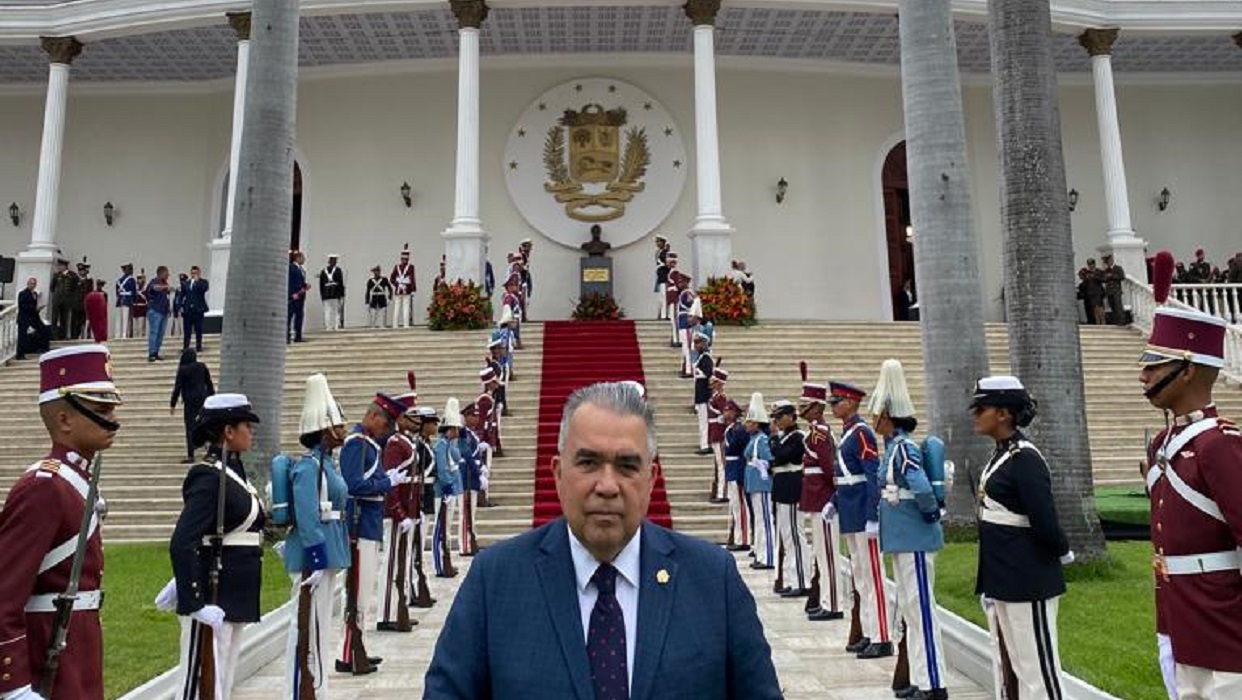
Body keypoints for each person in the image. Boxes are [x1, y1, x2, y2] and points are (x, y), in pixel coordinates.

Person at [423, 382, 783, 699]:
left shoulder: (713, 579)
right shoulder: (495, 580)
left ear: (651, 479)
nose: (607, 486)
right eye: (588, 463)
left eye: (627, 466)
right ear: (558, 474)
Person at [1139, 265, 1242, 700]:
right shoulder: (1163, 443)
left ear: (1185, 370)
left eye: (1153, 365)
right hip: (1180, 617)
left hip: (1226, 625)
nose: (1143, 376)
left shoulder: (1218, 445)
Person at [0, 344, 122, 700]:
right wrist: (14, 686)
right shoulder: (46, 486)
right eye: (101, 410)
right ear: (65, 420)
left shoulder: (78, 481)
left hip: (78, 650)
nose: (114, 420)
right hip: (47, 653)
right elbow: (5, 593)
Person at [971, 375, 1072, 700]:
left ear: (1004, 413)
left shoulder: (1024, 458)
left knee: (1039, 671)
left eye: (982, 408)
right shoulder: (1003, 455)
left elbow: (1044, 520)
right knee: (1018, 667)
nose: (975, 415)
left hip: (1028, 577)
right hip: (1005, 576)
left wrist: (1062, 550)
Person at [167, 393, 266, 700]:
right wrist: (193, 601)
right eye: (246, 425)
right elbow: (183, 540)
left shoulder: (234, 473)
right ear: (228, 431)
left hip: (236, 590)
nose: (251, 432)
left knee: (223, 677)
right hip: (215, 590)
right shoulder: (208, 476)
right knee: (201, 682)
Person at [869, 359, 946, 700]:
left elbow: (922, 488)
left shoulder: (903, 448)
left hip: (914, 535)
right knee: (911, 611)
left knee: (921, 610)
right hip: (902, 536)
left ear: (889, 416)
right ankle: (921, 677)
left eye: (878, 414)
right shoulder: (893, 448)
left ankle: (934, 684)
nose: (874, 420)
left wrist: (930, 514)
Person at [283, 373, 351, 700]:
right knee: (306, 628)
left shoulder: (327, 464)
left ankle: (319, 688)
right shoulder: (309, 466)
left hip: (329, 549)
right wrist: (316, 556)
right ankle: (300, 691)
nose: (343, 430)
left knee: (321, 626)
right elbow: (308, 516)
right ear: (324, 431)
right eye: (338, 425)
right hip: (315, 555)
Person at [336, 393, 409, 674]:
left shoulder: (368, 444)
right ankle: (349, 653)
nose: (387, 430)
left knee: (364, 591)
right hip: (360, 524)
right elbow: (353, 485)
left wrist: (384, 482)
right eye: (386, 423)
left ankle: (357, 647)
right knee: (357, 592)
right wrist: (385, 483)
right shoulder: (357, 444)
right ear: (374, 416)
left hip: (369, 523)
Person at [829, 381, 891, 659]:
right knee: (861, 577)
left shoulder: (862, 432)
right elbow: (845, 475)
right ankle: (869, 630)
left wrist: (872, 515)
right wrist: (833, 502)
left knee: (873, 576)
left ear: (851, 403)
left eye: (837, 402)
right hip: (849, 510)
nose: (833, 407)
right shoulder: (848, 432)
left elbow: (871, 475)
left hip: (862, 511)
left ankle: (882, 636)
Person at [797, 379, 844, 622]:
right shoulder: (815, 432)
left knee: (828, 555)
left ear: (816, 407)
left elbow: (827, 468)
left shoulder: (819, 433)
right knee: (822, 554)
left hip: (824, 498)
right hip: (816, 498)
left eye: (805, 404)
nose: (801, 408)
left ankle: (833, 603)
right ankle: (825, 599)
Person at [377, 400, 420, 633]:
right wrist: (398, 512)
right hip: (397, 512)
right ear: (400, 419)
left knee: (401, 562)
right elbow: (390, 482)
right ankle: (385, 614)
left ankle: (398, 609)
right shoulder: (394, 443)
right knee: (391, 563)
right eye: (412, 415)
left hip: (408, 509)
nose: (417, 420)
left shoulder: (406, 441)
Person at [770, 399, 811, 598]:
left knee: (795, 535)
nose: (776, 421)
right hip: (782, 487)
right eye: (775, 417)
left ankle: (802, 581)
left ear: (790, 416)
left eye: (780, 417)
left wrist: (773, 440)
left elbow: (782, 455)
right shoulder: (784, 437)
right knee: (787, 537)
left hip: (792, 487)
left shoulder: (798, 437)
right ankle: (794, 578)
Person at [743, 392, 777, 571]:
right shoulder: (754, 439)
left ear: (756, 423)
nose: (746, 424)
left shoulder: (762, 440)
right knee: (759, 519)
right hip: (754, 483)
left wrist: (762, 466)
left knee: (765, 520)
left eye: (749, 422)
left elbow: (770, 459)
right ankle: (760, 552)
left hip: (762, 483)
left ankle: (769, 556)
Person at [432, 398, 465, 578]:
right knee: (440, 529)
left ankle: (447, 562)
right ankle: (439, 565)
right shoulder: (441, 446)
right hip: (443, 492)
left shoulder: (447, 445)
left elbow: (456, 457)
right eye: (456, 429)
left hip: (449, 491)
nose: (458, 432)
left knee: (446, 528)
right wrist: (448, 487)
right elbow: (443, 471)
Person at [170, 348, 215, 464]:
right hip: (203, 399)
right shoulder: (202, 366)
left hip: (190, 401)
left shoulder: (183, 369)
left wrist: (172, 404)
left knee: (190, 427)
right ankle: (210, 453)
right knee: (206, 424)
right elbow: (209, 383)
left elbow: (177, 387)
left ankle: (191, 455)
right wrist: (213, 397)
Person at [720, 398, 750, 551]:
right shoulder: (731, 429)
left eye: (728, 410)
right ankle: (738, 537)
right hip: (732, 469)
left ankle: (743, 539)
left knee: (740, 507)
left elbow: (736, 450)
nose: (725, 413)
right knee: (735, 507)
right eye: (725, 410)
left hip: (737, 469)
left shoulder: (738, 429)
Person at [706, 367, 731, 502]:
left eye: (714, 381)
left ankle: (723, 493)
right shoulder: (715, 397)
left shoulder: (720, 398)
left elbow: (725, 415)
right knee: (719, 464)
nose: (711, 383)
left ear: (720, 383)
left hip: (719, 432)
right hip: (714, 431)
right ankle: (719, 491)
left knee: (722, 464)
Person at [16, 277, 50, 360]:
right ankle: (20, 354)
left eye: (34, 284)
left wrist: (38, 309)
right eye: (31, 283)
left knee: (43, 329)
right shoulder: (22, 293)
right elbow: (22, 306)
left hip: (33, 317)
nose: (33, 285)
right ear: (28, 284)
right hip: (24, 318)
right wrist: (34, 309)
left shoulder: (35, 294)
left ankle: (42, 348)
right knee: (22, 336)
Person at [692, 330, 714, 456]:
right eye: (696, 343)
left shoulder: (706, 358)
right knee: (703, 421)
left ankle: (705, 445)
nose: (696, 345)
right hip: (700, 395)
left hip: (704, 395)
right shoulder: (701, 358)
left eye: (699, 343)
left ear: (705, 343)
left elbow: (708, 375)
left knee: (704, 422)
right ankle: (705, 443)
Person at [145, 266, 173, 362]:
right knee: (154, 332)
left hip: (163, 311)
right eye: (167, 273)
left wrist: (168, 309)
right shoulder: (154, 281)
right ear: (161, 273)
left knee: (161, 333)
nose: (168, 275)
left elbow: (166, 298)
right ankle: (152, 353)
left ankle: (156, 352)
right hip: (155, 310)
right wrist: (165, 287)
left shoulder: (165, 283)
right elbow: (155, 288)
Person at [180, 266, 209, 352]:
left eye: (196, 273)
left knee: (198, 329)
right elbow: (182, 295)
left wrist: (197, 282)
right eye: (192, 273)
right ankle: (186, 346)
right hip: (188, 310)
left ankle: (198, 346)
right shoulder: (186, 283)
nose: (194, 275)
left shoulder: (203, 282)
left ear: (199, 273)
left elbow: (204, 289)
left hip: (198, 309)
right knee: (187, 330)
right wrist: (180, 306)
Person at [48, 258, 76, 341]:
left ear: (65, 266)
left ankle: (63, 335)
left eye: (61, 266)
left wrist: (70, 297)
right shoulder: (56, 275)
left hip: (67, 300)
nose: (59, 267)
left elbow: (75, 288)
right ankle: (54, 335)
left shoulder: (72, 275)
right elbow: (52, 287)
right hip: (57, 299)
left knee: (64, 318)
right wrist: (57, 295)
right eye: (59, 266)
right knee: (54, 318)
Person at [390, 244, 416, 329]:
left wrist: (397, 284)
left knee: (397, 307)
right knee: (405, 307)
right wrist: (413, 289)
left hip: (398, 289)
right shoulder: (411, 267)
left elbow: (392, 279)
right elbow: (412, 278)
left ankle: (395, 324)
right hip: (406, 289)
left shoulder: (396, 267)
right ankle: (405, 324)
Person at [318, 254, 346, 331]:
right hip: (336, 294)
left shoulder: (323, 271)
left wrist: (322, 296)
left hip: (326, 294)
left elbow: (321, 285)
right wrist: (342, 294)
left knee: (327, 311)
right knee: (336, 311)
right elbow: (340, 283)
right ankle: (336, 326)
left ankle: (328, 327)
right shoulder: (338, 270)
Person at [288, 250, 310, 344]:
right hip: (293, 297)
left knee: (299, 317)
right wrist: (291, 294)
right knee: (289, 316)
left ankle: (298, 336)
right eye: (303, 258)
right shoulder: (291, 268)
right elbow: (289, 282)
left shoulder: (301, 269)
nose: (304, 259)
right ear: (298, 258)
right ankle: (287, 336)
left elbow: (299, 282)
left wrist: (305, 285)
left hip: (301, 296)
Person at [1077, 258, 1106, 325]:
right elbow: (1081, 278)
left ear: (1094, 264)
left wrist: (1094, 276)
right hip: (1088, 295)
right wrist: (1084, 276)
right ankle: (1091, 323)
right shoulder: (1086, 272)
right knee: (1089, 311)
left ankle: (1099, 324)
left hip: (1097, 295)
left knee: (1098, 311)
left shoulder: (1099, 271)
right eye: (1089, 264)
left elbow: (1104, 279)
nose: (1090, 266)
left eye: (1092, 264)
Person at [1101, 253, 1126, 325]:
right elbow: (1103, 279)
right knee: (1112, 306)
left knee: (1118, 306)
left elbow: (1122, 277)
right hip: (1109, 290)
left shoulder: (1118, 268)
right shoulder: (1106, 270)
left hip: (1116, 290)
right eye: (1107, 261)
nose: (1109, 262)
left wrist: (1112, 276)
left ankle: (1122, 321)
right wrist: (1106, 277)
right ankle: (1116, 321)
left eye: (1109, 260)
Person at [114, 262, 137, 339]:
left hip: (119, 301)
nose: (132, 271)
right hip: (127, 301)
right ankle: (124, 335)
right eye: (130, 269)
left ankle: (117, 335)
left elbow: (117, 293)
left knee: (118, 320)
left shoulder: (118, 281)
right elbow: (134, 292)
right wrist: (134, 301)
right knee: (126, 319)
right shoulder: (132, 280)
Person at [653, 235, 671, 320]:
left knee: (664, 296)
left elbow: (668, 264)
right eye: (656, 242)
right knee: (661, 296)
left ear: (663, 242)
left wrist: (667, 250)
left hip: (664, 276)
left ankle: (664, 315)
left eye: (659, 241)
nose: (657, 243)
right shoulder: (658, 251)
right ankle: (661, 315)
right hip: (660, 275)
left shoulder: (665, 252)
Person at [131, 271, 148, 338]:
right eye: (138, 280)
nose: (139, 282)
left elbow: (147, 300)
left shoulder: (145, 291)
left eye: (141, 280)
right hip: (135, 309)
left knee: (141, 327)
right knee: (135, 327)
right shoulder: (135, 290)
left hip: (142, 309)